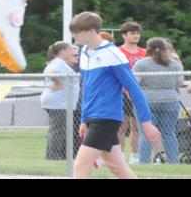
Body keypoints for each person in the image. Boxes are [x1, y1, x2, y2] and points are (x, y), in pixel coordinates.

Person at [68, 12, 161, 179]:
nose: (74, 36)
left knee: (81, 165)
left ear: (92, 30)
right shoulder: (85, 53)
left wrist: (146, 122)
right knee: (117, 167)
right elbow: (87, 89)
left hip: (106, 118)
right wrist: (84, 119)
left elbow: (134, 89)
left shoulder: (112, 54)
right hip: (93, 117)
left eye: (77, 32)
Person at [132, 37, 183, 165]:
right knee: (169, 133)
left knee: (145, 133)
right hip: (170, 100)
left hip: (147, 101)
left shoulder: (141, 64)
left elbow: (135, 84)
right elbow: (179, 83)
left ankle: (144, 162)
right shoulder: (174, 64)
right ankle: (174, 161)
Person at [41, 41, 80, 161]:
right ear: (63, 51)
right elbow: (50, 72)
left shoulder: (62, 63)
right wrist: (57, 83)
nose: (73, 52)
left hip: (64, 102)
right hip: (58, 103)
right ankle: (52, 156)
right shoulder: (57, 63)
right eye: (70, 50)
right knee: (58, 130)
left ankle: (63, 156)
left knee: (64, 130)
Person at [115, 22, 147, 163]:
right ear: (124, 35)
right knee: (121, 126)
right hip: (122, 93)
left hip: (139, 92)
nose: (136, 36)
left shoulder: (144, 53)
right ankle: (120, 154)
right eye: (132, 33)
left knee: (136, 127)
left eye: (137, 33)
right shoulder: (118, 52)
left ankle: (135, 155)